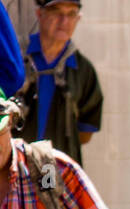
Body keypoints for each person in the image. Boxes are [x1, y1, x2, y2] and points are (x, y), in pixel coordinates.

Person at [14, 0, 102, 165]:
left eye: (71, 14)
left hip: (54, 168)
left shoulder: (82, 70)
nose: (64, 21)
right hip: (13, 166)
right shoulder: (15, 59)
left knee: (48, 187)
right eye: (57, 12)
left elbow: (85, 133)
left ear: (78, 18)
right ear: (40, 14)